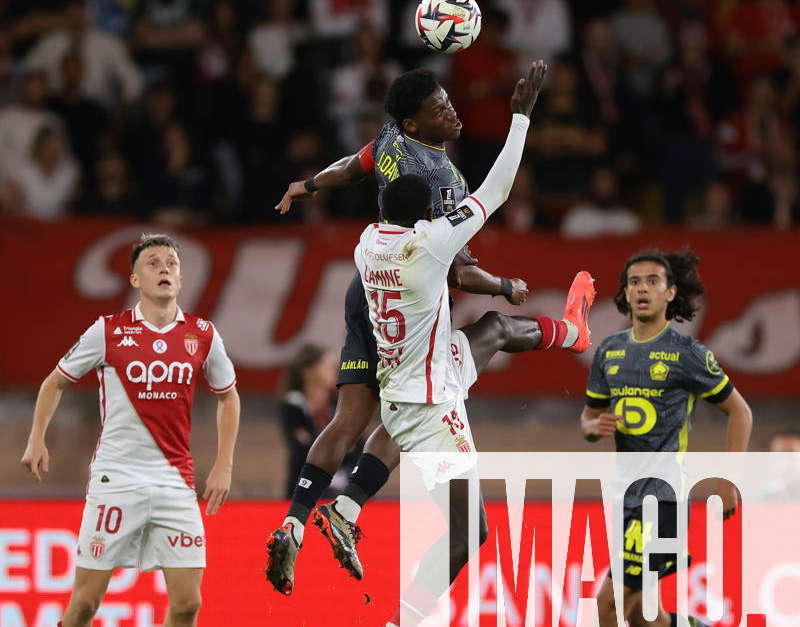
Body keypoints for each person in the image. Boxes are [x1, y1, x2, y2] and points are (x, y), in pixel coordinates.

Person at [266, 67, 535, 595]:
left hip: (368, 288)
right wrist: (503, 284)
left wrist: (309, 184)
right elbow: (458, 269)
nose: (452, 112)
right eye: (440, 109)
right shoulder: (442, 184)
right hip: (410, 305)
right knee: (413, 401)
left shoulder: (390, 140)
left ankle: (299, 520)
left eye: (448, 102)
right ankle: (347, 513)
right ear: (416, 122)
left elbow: (354, 166)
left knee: (353, 419)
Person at [351, 61, 594, 627]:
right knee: (471, 530)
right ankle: (403, 621)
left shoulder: (368, 245)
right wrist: (520, 118)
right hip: (434, 406)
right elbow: (499, 188)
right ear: (425, 220)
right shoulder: (430, 245)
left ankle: (572, 332)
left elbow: (387, 188)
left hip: (413, 378)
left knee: (493, 329)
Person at [20, 234, 240, 627]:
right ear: (134, 279)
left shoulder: (202, 334)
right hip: (116, 479)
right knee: (85, 602)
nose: (164, 269)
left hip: (175, 481)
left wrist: (224, 464)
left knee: (188, 604)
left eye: (171, 263)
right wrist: (37, 438)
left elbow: (229, 396)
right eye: (153, 263)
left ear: (181, 277)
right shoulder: (108, 331)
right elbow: (54, 381)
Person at [580, 248, 753, 627]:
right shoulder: (609, 351)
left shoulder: (687, 354)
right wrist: (593, 428)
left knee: (608, 605)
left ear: (671, 293)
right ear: (625, 294)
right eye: (634, 282)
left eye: (653, 281)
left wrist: (728, 481)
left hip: (663, 499)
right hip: (625, 498)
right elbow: (589, 420)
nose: (642, 289)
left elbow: (740, 411)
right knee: (645, 616)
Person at [279, 345, 340, 498]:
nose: (334, 370)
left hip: (340, 487)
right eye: (327, 365)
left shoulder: (339, 406)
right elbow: (301, 449)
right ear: (309, 371)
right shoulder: (294, 404)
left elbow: (358, 447)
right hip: (302, 489)